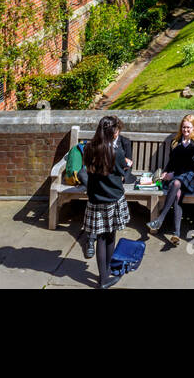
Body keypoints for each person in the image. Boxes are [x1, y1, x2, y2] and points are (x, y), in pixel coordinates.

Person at [79, 115, 133, 288]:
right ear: (112, 132)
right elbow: (121, 172)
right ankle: (104, 279)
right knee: (108, 237)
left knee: (101, 238)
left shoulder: (89, 148)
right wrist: (126, 165)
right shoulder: (116, 151)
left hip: (95, 198)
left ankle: (106, 273)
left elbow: (88, 169)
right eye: (117, 130)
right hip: (112, 198)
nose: (118, 133)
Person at [147, 113, 194, 248]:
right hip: (177, 176)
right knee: (177, 193)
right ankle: (176, 234)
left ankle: (160, 219)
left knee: (177, 183)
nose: (186, 130)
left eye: (189, 128)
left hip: (191, 176)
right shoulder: (176, 141)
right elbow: (171, 162)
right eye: (184, 127)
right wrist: (166, 172)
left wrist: (173, 175)